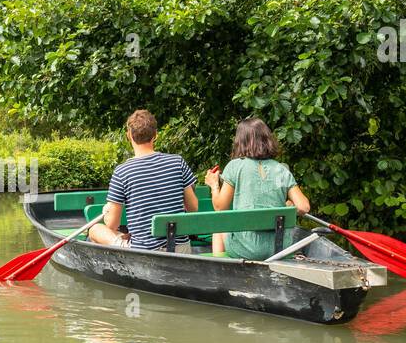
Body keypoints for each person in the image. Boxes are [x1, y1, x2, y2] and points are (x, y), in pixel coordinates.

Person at [89, 109, 199, 252]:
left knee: (95, 229)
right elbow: (193, 207)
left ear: (129, 135)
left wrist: (107, 211)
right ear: (155, 135)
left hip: (144, 251)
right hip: (181, 249)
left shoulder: (122, 171)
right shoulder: (177, 162)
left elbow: (112, 224)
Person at [204, 117, 310, 260]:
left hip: (247, 249)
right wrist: (288, 205)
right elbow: (304, 207)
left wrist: (214, 185)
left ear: (240, 141)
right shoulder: (280, 169)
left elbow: (220, 207)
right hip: (280, 249)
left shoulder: (235, 166)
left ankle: (219, 272)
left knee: (219, 223)